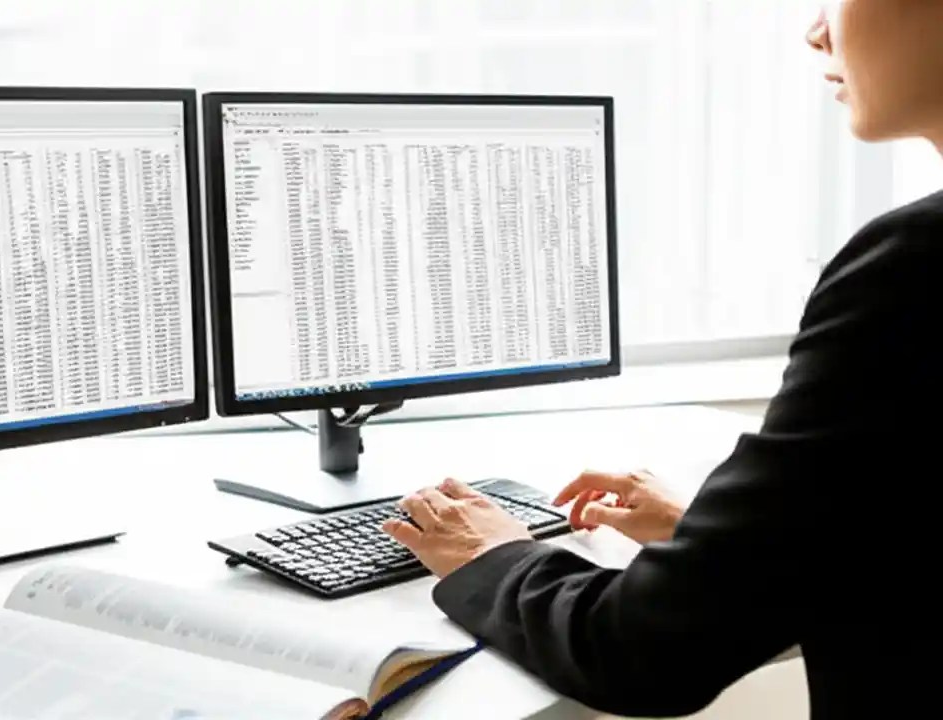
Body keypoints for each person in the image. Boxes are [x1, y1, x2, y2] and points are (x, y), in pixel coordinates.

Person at [382, 2, 942, 717]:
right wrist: (725, 540)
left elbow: (642, 653)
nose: (815, 31)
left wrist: (492, 558)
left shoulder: (913, 270)